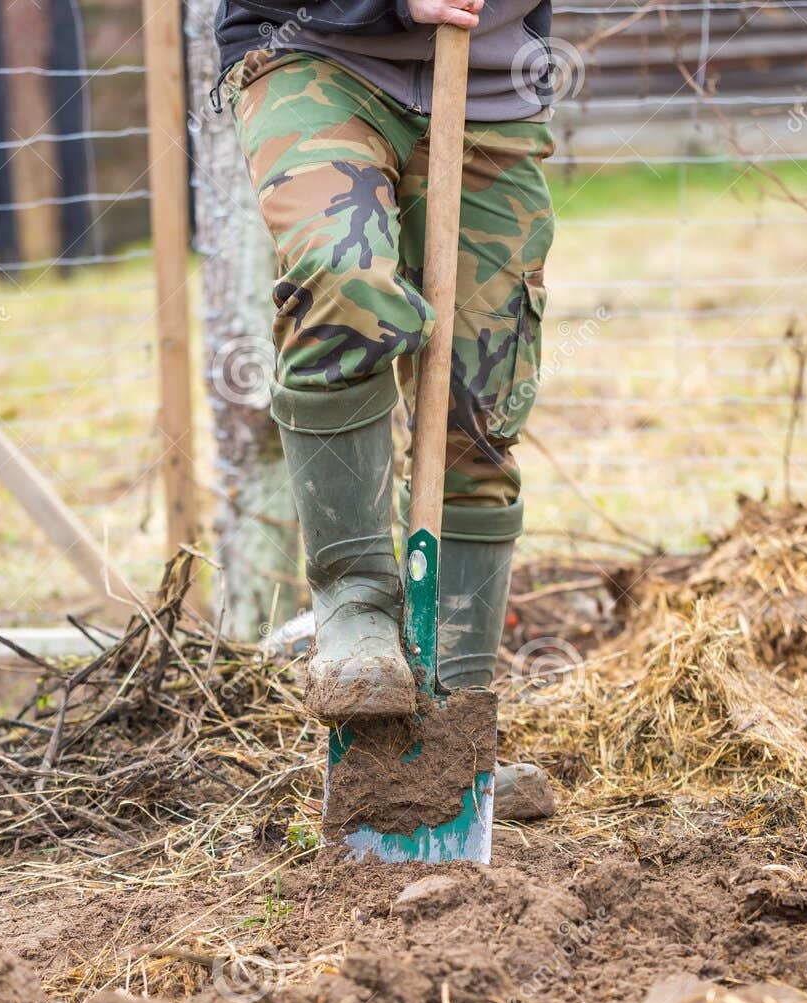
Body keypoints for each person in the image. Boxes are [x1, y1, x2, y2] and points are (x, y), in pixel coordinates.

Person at [214, 0, 558, 819]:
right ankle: (354, 606)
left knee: (482, 400)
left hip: (487, 85)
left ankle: (451, 742)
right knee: (343, 279)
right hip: (317, 54)